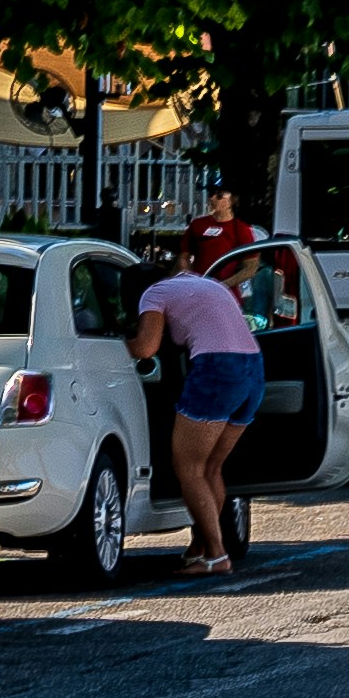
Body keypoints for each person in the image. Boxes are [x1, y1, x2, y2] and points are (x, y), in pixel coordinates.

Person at [135, 225, 264, 580]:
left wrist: (121, 342)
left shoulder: (152, 296)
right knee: (210, 470)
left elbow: (146, 348)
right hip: (254, 366)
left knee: (189, 469)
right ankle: (201, 547)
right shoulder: (199, 283)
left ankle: (216, 555)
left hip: (216, 369)